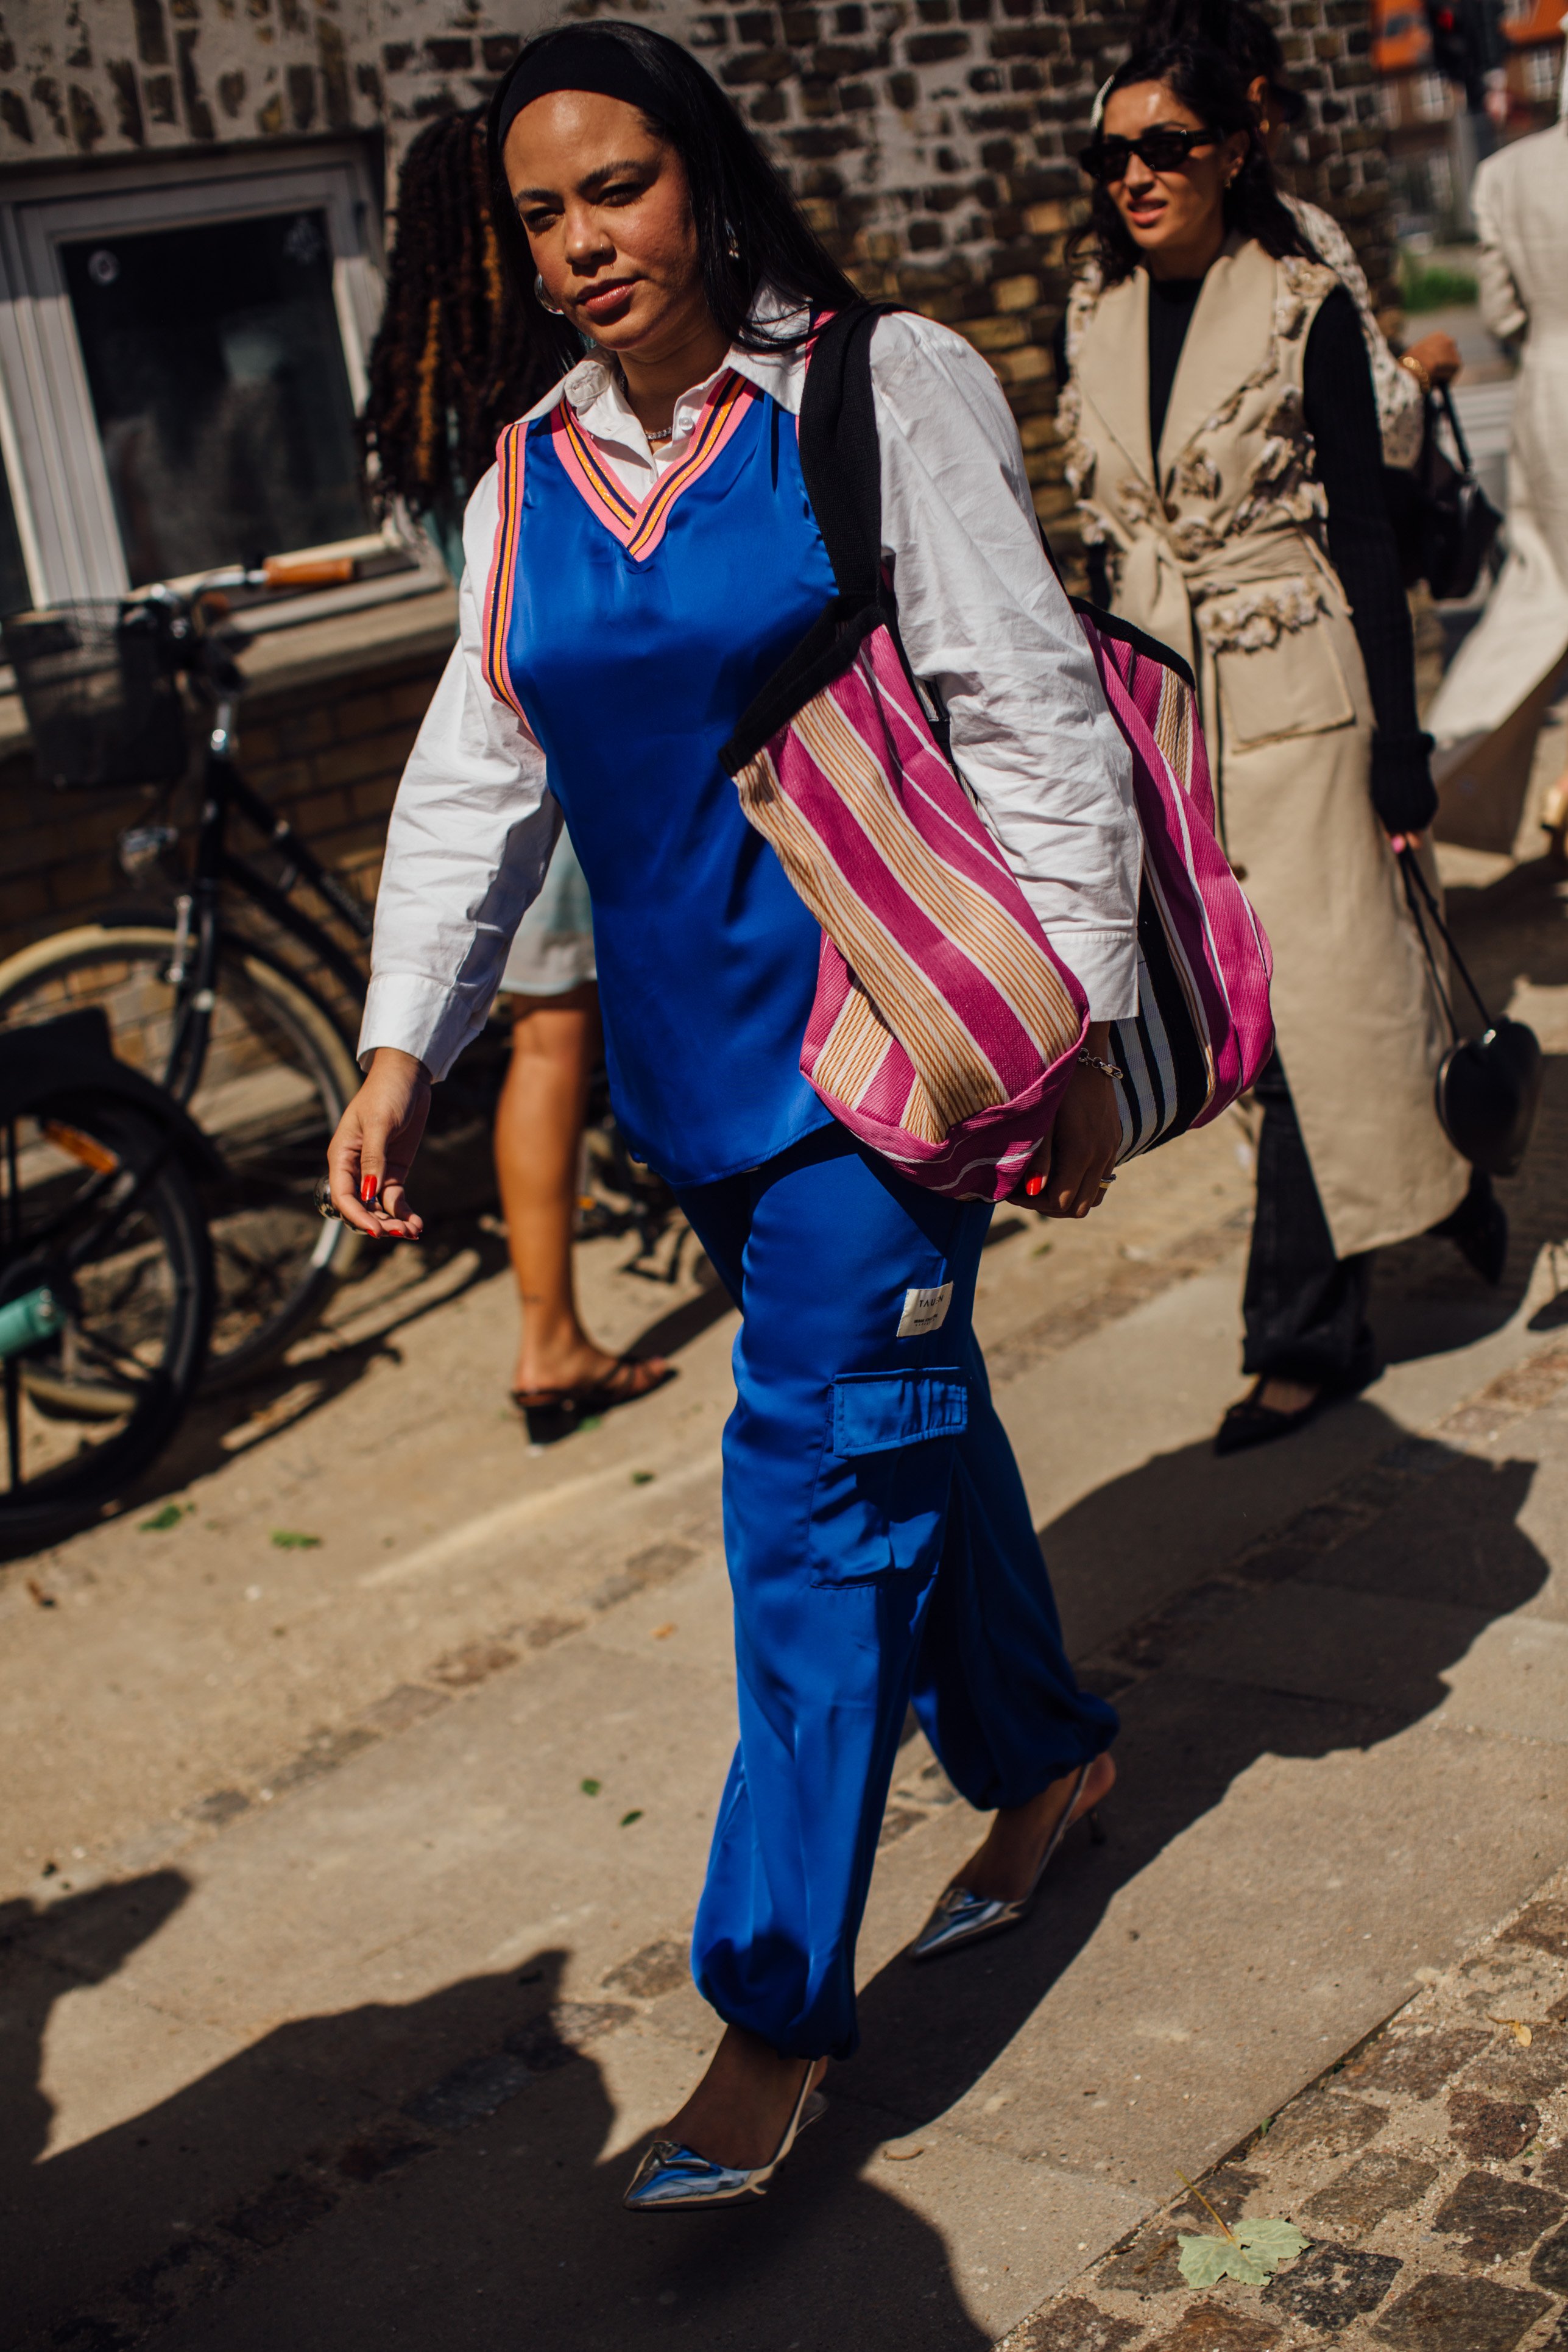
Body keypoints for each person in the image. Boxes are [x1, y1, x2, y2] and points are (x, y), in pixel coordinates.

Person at [326, 19, 1137, 2212]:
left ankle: (770, 2011)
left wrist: (1069, 1029)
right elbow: (475, 787)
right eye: (544, 212)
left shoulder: (875, 392)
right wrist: (403, 1052)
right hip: (694, 1100)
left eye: (620, 188)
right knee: (897, 1419)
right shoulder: (524, 481)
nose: (586, 241)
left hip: (884, 1073)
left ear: (703, 175)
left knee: (811, 1507)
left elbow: (1026, 700)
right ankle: (1051, 1754)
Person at [1059, 37, 1472, 1455]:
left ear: (1233, 151)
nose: (1134, 175)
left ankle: (1298, 1332)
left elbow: (1361, 525)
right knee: (1232, 1015)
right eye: (1111, 154)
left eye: (1164, 146)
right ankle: (1438, 1177)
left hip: (1297, 693)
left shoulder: (1301, 306)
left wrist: (1398, 744)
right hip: (1152, 718)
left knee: (1314, 1013)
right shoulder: (1093, 318)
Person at [359, 105, 669, 1440]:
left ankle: (558, 1316)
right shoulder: (527, 404)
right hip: (553, 762)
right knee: (557, 1041)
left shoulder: (416, 395)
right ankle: (549, 1332)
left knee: (548, 1040)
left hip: (497, 729)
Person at [1137, 0, 1463, 462]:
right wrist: (1418, 368)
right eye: (1284, 107)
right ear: (1259, 105)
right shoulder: (1296, 233)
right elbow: (1382, 424)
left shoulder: (1114, 257)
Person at [1423, 57, 1568, 857]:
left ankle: (1442, 763)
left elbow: (1499, 310)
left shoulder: (1507, 175)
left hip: (1548, 399)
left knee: (1537, 597)